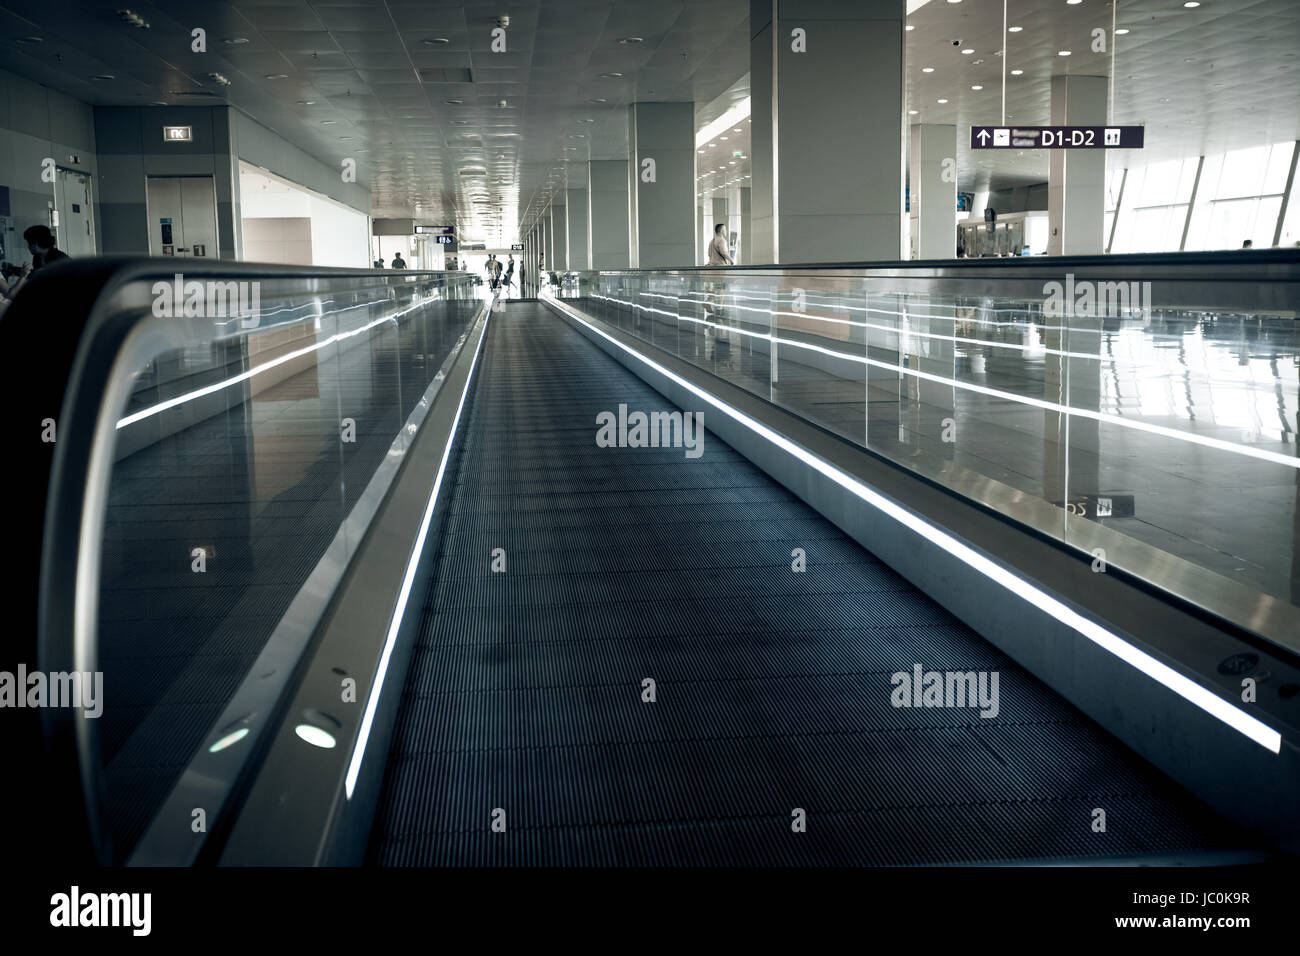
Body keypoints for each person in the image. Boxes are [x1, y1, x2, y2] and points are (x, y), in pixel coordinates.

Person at [5, 225, 70, 299]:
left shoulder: (59, 259)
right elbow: (35, 274)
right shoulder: (37, 257)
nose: (28, 247)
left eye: (29, 243)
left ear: (36, 244)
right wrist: (12, 269)